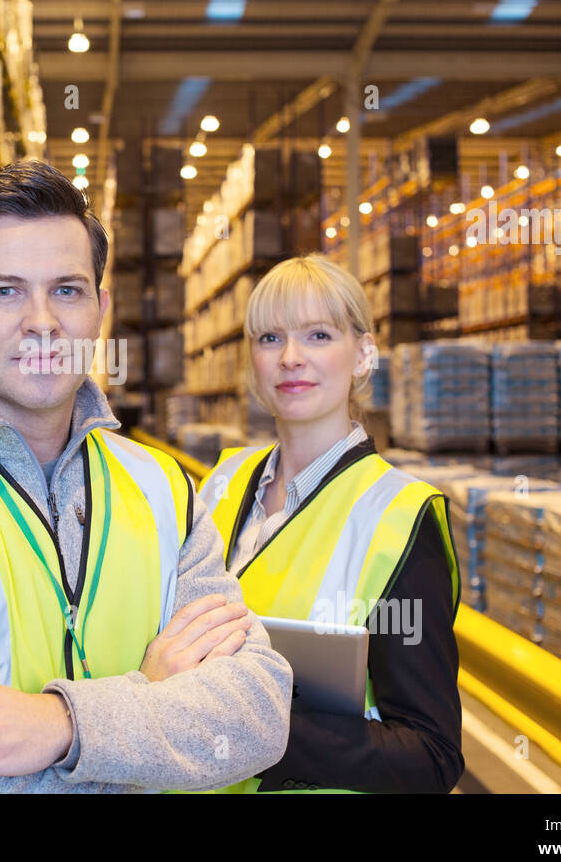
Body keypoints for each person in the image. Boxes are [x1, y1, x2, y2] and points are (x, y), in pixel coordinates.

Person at [0, 161, 292, 792]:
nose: (42, 322)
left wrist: (61, 726)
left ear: (100, 308)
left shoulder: (162, 489)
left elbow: (255, 717)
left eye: (66, 290)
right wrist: (148, 698)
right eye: (5, 291)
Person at [198, 254, 464, 793]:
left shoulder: (399, 518)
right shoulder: (218, 485)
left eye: (318, 335)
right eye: (270, 338)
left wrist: (253, 728)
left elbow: (430, 754)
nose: (291, 358)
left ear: (364, 354)